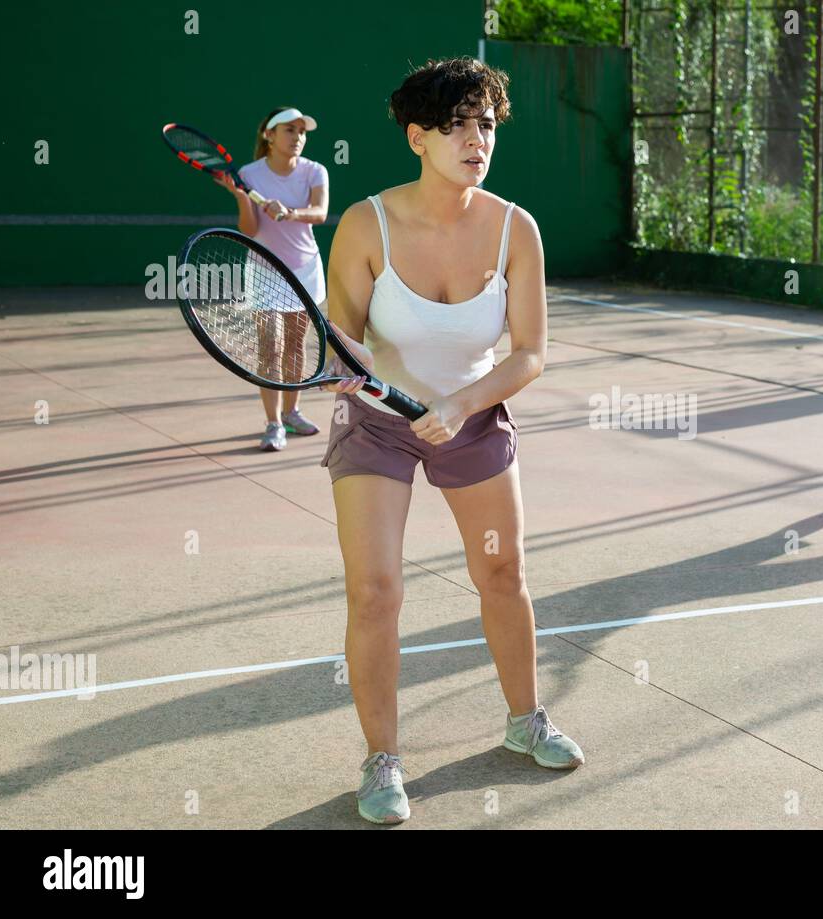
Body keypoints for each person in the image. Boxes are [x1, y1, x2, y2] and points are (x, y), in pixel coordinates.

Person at [320, 58, 583, 825]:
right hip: (377, 426)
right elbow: (341, 333)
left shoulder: (515, 228)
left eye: (487, 124)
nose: (477, 139)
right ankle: (382, 760)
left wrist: (464, 403)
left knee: (503, 572)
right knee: (376, 590)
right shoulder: (366, 223)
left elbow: (530, 351)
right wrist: (350, 368)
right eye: (458, 124)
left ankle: (525, 718)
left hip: (474, 416)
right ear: (416, 137)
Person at [213, 106, 330, 451]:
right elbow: (249, 229)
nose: (298, 138)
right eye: (289, 130)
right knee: (270, 346)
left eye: (302, 131)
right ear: (270, 135)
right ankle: (273, 423)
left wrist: (290, 212)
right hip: (265, 271)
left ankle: (293, 412)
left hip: (306, 269)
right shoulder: (249, 175)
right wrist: (239, 196)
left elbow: (320, 213)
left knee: (296, 344)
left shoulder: (315, 171)